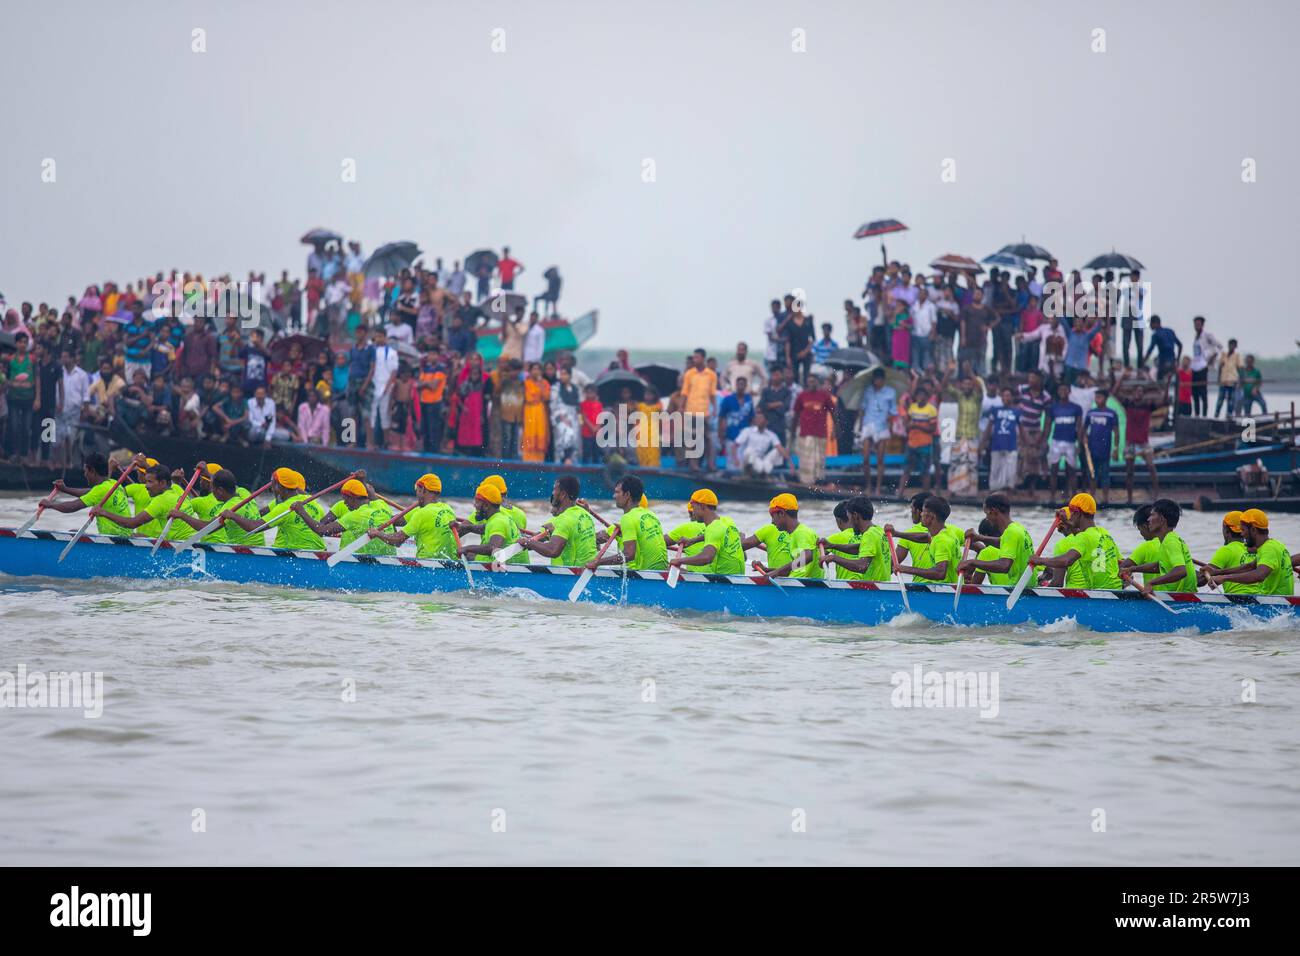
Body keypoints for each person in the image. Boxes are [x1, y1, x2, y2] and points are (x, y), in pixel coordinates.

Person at [1027, 493, 1121, 589]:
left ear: (1077, 513)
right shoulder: (1103, 532)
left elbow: (1066, 560)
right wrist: (1067, 522)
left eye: (1071, 512)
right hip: (1117, 590)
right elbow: (1120, 562)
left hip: (1103, 595)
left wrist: (1039, 560)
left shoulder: (1083, 538)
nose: (1070, 516)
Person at [220, 467, 326, 551]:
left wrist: (233, 515)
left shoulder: (284, 507)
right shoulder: (311, 500)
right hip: (319, 551)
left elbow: (253, 527)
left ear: (280, 487)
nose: (271, 490)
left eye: (273, 485)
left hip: (292, 554)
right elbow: (322, 522)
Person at [290, 478, 395, 556]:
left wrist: (301, 511)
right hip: (390, 560)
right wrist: (362, 479)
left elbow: (321, 530)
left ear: (352, 498)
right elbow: (370, 490)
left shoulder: (355, 515)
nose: (344, 503)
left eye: (345, 499)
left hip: (365, 565)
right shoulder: (381, 504)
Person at [586, 475, 667, 571]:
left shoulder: (628, 519)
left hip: (646, 576)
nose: (614, 496)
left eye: (617, 492)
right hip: (663, 571)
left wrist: (598, 562)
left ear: (627, 495)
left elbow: (628, 555)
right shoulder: (651, 515)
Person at [1205, 509, 1293, 595]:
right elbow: (1250, 567)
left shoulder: (1269, 549)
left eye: (1243, 530)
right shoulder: (1276, 544)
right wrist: (1217, 572)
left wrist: (1225, 578)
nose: (1242, 534)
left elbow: (1258, 575)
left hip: (1276, 605)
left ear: (1253, 530)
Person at [43, 452, 135, 535]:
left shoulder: (100, 490)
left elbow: (72, 506)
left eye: (85, 471)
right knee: (75, 532)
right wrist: (65, 489)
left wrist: (50, 505)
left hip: (115, 540)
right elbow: (89, 492)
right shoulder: (113, 483)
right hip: (125, 536)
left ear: (92, 471)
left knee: (72, 533)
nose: (84, 474)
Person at [370, 474, 458, 559]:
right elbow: (393, 520)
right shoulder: (448, 509)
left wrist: (377, 533)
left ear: (422, 489)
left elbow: (397, 540)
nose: (416, 493)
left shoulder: (422, 514)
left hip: (427, 566)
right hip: (450, 564)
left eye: (416, 489)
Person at [168, 465, 261, 544]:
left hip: (245, 552)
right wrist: (206, 473)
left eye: (213, 489)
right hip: (259, 547)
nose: (212, 492)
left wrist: (181, 515)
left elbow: (207, 529)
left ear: (220, 490)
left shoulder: (229, 507)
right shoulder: (244, 491)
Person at [958, 493, 1034, 586]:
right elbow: (1003, 542)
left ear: (993, 511)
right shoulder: (1018, 528)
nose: (986, 518)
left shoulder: (1011, 533)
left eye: (986, 513)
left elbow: (1004, 566)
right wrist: (979, 537)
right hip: (1028, 586)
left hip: (1019, 590)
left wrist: (973, 562)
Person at [1124, 498, 1197, 594]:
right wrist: (1133, 569)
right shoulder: (1167, 539)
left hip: (1185, 601)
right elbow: (1160, 566)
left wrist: (1151, 582)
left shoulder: (1170, 541)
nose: (1148, 519)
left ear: (1162, 519)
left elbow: (1181, 571)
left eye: (1152, 515)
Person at [521, 476, 596, 567]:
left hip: (571, 576)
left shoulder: (563, 520)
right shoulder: (586, 514)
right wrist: (529, 540)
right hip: (590, 572)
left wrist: (527, 542)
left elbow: (553, 550)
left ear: (563, 494)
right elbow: (538, 537)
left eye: (554, 489)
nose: (553, 493)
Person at [743, 493, 822, 579]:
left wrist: (777, 572)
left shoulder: (802, 532)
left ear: (781, 513)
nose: (772, 522)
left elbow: (807, 557)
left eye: (773, 517)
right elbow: (797, 568)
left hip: (807, 589)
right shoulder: (792, 535)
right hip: (796, 585)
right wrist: (768, 570)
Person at [666, 488, 744, 575]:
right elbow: (715, 534)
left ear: (702, 506)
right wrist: (692, 540)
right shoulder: (727, 521)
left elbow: (706, 558)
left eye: (693, 507)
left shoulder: (713, 528)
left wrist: (679, 561)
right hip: (739, 577)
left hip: (724, 583)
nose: (693, 512)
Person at [886, 495, 961, 584]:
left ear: (931, 517)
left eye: (924, 512)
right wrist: (896, 533)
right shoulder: (947, 532)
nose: (921, 514)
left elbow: (940, 573)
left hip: (944, 593)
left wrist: (905, 569)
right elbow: (924, 537)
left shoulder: (941, 541)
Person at [819, 496, 891, 581]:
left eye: (849, 518)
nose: (850, 524)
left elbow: (862, 566)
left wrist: (834, 558)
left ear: (855, 516)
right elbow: (860, 548)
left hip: (873, 592)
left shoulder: (869, 535)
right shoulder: (878, 530)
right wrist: (832, 545)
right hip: (881, 588)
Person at [458, 482, 522, 561]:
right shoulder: (500, 516)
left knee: (470, 554)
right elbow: (484, 528)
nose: (474, 505)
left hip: (511, 570)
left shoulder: (498, 522)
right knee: (471, 555)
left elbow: (492, 548)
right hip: (504, 566)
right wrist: (466, 527)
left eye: (477, 502)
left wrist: (467, 548)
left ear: (486, 506)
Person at [857, 368, 897, 497]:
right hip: (868, 425)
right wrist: (860, 425)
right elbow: (862, 408)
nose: (876, 382)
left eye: (878, 379)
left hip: (882, 426)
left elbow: (893, 411)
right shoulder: (868, 391)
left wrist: (889, 421)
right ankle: (868, 487)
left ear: (883, 380)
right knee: (866, 459)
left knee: (880, 459)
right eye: (875, 379)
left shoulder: (890, 392)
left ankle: (878, 488)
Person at [678, 350, 718, 474]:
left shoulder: (711, 375)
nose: (695, 360)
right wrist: (681, 407)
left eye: (697, 357)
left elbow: (712, 393)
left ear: (703, 358)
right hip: (691, 409)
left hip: (704, 411)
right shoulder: (689, 374)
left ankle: (710, 464)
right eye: (694, 357)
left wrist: (715, 407)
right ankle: (693, 464)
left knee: (707, 438)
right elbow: (684, 392)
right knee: (692, 439)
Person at [896, 383, 937, 499]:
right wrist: (909, 425)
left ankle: (926, 496)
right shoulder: (912, 408)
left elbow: (932, 429)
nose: (920, 397)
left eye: (922, 395)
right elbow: (908, 425)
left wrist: (917, 426)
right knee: (906, 470)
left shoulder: (931, 410)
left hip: (925, 444)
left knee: (925, 472)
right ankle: (900, 493)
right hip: (911, 443)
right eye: (918, 395)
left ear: (926, 396)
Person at [1197, 511, 1253, 593]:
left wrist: (1187, 568)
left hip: (1237, 601)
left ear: (1226, 531)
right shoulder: (1254, 549)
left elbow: (1201, 581)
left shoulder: (1226, 550)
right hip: (1260, 598)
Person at [793, 374, 833, 485]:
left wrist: (835, 429)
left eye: (813, 381)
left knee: (818, 460)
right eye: (809, 381)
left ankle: (817, 482)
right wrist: (792, 432)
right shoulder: (802, 395)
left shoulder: (824, 395)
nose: (811, 384)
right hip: (805, 433)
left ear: (817, 382)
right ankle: (806, 482)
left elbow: (833, 412)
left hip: (820, 433)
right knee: (806, 460)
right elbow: (796, 414)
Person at [1046, 381, 1083, 500]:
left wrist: (1079, 443)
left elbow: (1079, 427)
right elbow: (1047, 426)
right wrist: (1045, 441)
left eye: (1065, 389)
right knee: (1054, 470)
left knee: (1071, 471)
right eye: (1061, 389)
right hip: (1056, 441)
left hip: (1070, 442)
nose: (1063, 392)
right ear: (1058, 392)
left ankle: (1073, 497)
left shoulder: (1076, 408)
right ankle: (1052, 496)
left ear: (1069, 391)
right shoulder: (1053, 407)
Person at [1083, 389, 1120, 505]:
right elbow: (1084, 429)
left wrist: (1115, 448)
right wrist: (1084, 439)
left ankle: (1105, 498)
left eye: (1099, 397)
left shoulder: (1111, 413)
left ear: (1106, 398)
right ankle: (1092, 497)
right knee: (1092, 474)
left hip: (1105, 449)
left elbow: (1117, 432)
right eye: (1096, 397)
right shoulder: (1091, 413)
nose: (1097, 399)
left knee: (1105, 474)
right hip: (1092, 449)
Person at [984, 386, 1020, 491]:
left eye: (1008, 395)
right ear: (1001, 398)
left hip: (1011, 445)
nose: (1007, 398)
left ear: (1012, 397)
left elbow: (1021, 429)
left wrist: (1027, 443)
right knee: (995, 470)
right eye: (1004, 395)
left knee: (1011, 472)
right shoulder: (995, 410)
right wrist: (983, 442)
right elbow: (988, 428)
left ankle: (1008, 496)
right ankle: (993, 494)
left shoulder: (1016, 411)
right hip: (996, 445)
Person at [733, 409, 786, 478]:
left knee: (777, 452)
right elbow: (734, 446)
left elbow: (779, 448)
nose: (757, 420)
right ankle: (747, 474)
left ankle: (764, 475)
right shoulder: (747, 431)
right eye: (756, 418)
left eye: (760, 418)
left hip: (759, 460)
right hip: (747, 461)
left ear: (766, 422)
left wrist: (791, 465)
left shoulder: (771, 435)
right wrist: (735, 459)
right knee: (750, 450)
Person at [1119, 504, 1160, 590]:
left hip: (1155, 597)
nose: (1141, 534)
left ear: (1145, 526)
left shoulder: (1146, 546)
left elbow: (1122, 567)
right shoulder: (1175, 542)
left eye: (1139, 529)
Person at [718, 377, 754, 472]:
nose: (740, 387)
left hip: (744, 437)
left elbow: (751, 418)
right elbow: (721, 417)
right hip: (731, 435)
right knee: (731, 461)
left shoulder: (748, 400)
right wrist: (720, 434)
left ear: (746, 386)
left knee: (742, 461)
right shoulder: (728, 399)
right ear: (736, 385)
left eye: (743, 384)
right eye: (739, 384)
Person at [1189, 316, 1221, 417]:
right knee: (1195, 393)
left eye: (1198, 324)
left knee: (1203, 392)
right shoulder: (1196, 336)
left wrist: (1211, 359)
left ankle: (1204, 415)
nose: (1196, 326)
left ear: (1202, 325)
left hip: (1203, 367)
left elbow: (1219, 346)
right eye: (1195, 324)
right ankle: (1197, 414)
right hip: (1195, 367)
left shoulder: (1207, 335)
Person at [520, 362, 551, 462]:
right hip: (529, 410)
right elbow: (527, 397)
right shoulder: (525, 383)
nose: (536, 371)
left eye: (538, 369)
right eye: (534, 369)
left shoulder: (545, 383)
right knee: (529, 433)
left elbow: (546, 397)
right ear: (529, 371)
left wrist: (540, 384)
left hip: (540, 412)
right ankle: (527, 461)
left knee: (541, 433)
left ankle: (539, 461)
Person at [1143, 315, 1181, 380]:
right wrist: (1177, 359)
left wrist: (1143, 361)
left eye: (1150, 324)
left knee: (1159, 382)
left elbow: (1150, 349)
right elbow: (1180, 345)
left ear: (1155, 323)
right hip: (1172, 363)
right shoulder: (1170, 331)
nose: (1150, 326)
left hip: (1163, 363)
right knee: (1173, 382)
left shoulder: (1156, 334)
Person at [1215, 338, 1241, 418]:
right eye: (1230, 344)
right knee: (1220, 399)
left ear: (1236, 346)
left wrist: (1239, 381)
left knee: (1231, 400)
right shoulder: (1224, 354)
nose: (1232, 346)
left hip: (1233, 381)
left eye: (1233, 345)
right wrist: (1218, 378)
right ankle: (1217, 414)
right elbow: (1220, 367)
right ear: (1228, 345)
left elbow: (1240, 369)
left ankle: (1229, 416)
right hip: (1223, 380)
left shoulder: (1237, 356)